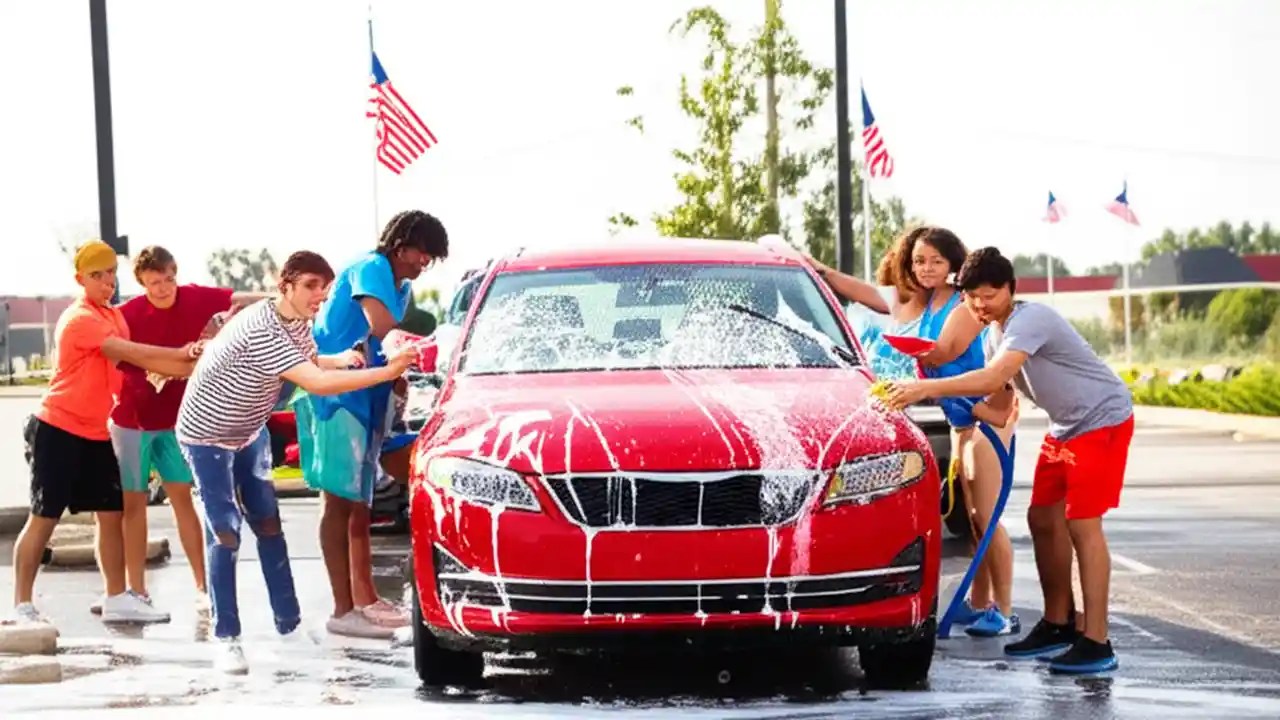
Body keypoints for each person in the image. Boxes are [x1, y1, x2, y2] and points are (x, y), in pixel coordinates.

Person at [884, 246, 1134, 674]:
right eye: (972, 297)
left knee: (1082, 524)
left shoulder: (1028, 320)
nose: (981, 305)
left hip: (1103, 420)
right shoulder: (997, 332)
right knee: (1042, 520)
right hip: (1067, 428)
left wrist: (924, 389)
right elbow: (999, 402)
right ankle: (1058, 624)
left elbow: (995, 377)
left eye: (990, 295)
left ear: (1011, 289)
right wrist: (940, 387)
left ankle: (1096, 640)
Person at [175, 250, 416, 675]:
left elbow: (309, 363)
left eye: (324, 289)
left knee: (268, 524)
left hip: (247, 431)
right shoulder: (262, 327)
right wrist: (385, 371)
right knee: (226, 532)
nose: (319, 296)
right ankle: (226, 637)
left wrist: (338, 359)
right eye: (310, 286)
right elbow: (316, 383)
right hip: (206, 435)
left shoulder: (295, 323)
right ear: (284, 285)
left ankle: (288, 626)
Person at [807, 226, 1018, 637]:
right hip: (960, 418)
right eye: (920, 261)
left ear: (954, 264)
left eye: (937, 261)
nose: (926, 269)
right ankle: (980, 604)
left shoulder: (964, 303)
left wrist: (913, 356)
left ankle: (1005, 610)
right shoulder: (920, 304)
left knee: (986, 517)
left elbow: (945, 352)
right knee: (972, 518)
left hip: (986, 418)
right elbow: (865, 292)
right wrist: (819, 269)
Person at [12, 240, 198, 625]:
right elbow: (134, 353)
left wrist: (187, 362)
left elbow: (137, 364)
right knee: (44, 518)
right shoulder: (81, 319)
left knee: (111, 514)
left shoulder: (113, 316)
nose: (107, 282)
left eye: (111, 273)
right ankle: (21, 606)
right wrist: (184, 356)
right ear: (81, 279)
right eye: (97, 276)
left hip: (98, 431)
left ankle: (116, 598)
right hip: (58, 428)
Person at [292, 210, 448, 638]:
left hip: (369, 393)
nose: (424, 263)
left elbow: (387, 344)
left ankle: (365, 597)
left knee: (360, 504)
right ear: (402, 246)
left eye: (431, 259)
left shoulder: (401, 283)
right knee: (339, 502)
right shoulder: (371, 267)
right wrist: (430, 348)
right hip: (338, 392)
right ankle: (343, 610)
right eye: (423, 254)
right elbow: (385, 329)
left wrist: (397, 376)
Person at [100, 245, 266, 619]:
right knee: (134, 505)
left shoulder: (193, 297)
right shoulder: (125, 315)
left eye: (169, 279)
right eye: (155, 282)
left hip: (177, 421)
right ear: (142, 283)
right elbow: (108, 350)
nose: (164, 288)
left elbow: (240, 297)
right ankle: (136, 591)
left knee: (185, 500)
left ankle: (203, 587)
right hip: (131, 420)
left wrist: (285, 297)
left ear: (176, 273)